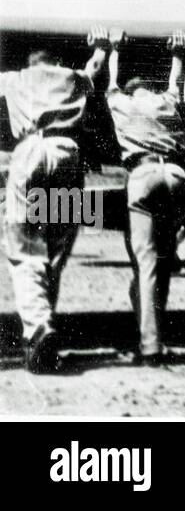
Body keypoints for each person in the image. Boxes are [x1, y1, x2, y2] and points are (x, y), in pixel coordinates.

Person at [0, 28, 109, 373]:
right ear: (56, 61)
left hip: (31, 150)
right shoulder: (73, 77)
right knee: (56, 245)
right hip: (68, 154)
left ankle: (39, 327)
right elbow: (96, 70)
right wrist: (104, 46)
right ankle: (43, 325)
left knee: (25, 245)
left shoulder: (15, 79)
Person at [105, 29, 185, 364]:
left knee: (145, 264)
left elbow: (110, 82)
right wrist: (178, 53)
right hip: (175, 176)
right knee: (163, 261)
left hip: (142, 176)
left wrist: (113, 49)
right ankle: (156, 333)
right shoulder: (165, 102)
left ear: (130, 90)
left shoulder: (122, 104)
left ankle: (150, 347)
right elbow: (177, 82)